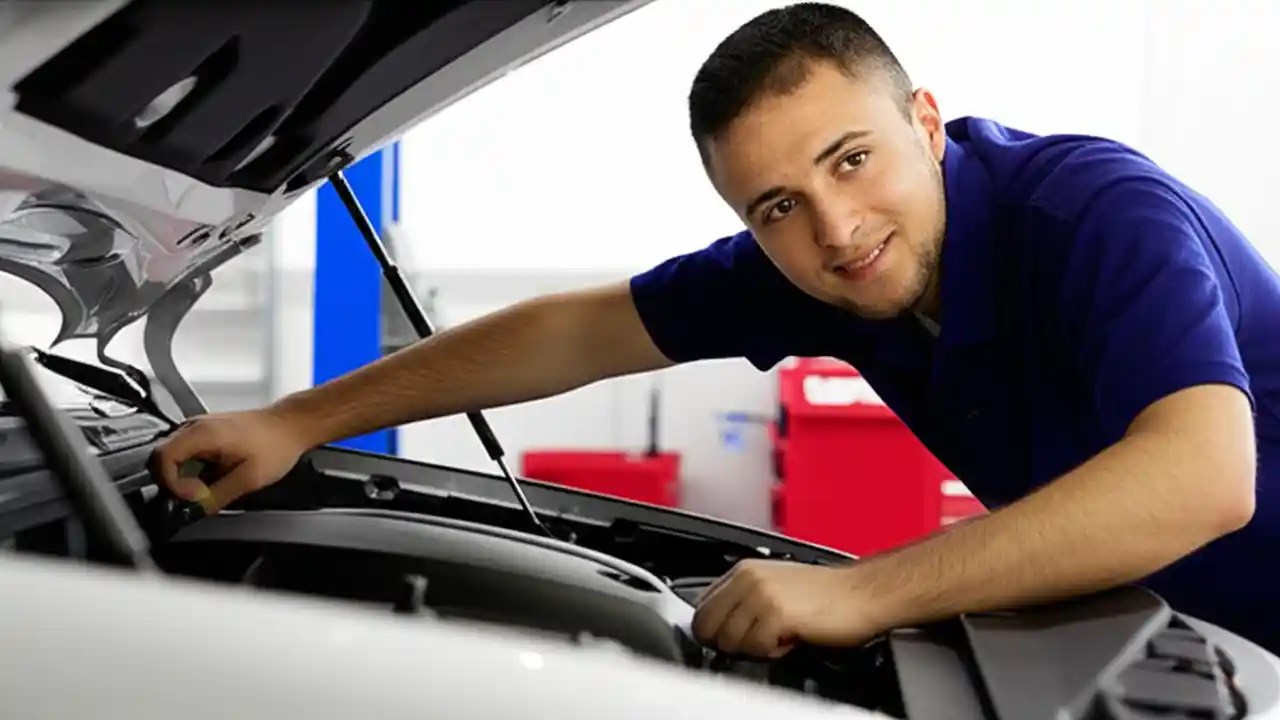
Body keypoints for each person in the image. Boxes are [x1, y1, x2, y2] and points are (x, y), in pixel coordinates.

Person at [153, 2, 1280, 656]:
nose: (835, 229)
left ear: (923, 121)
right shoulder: (816, 262)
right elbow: (577, 332)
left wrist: (862, 591)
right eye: (773, 206)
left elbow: (1197, 479)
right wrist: (299, 418)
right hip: (1184, 646)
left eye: (851, 159)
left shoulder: (1091, 210)